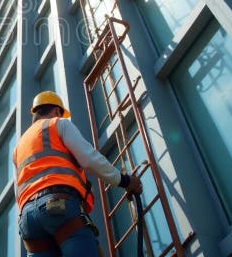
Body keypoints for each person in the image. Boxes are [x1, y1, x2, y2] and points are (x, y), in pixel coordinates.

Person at [14, 91, 143, 256]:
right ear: (57, 111)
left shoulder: (18, 148)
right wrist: (124, 180)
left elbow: (18, 191)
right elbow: (88, 158)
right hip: (57, 204)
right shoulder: (58, 124)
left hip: (27, 220)